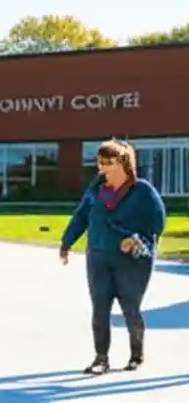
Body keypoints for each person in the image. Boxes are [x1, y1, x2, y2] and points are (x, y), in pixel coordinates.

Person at [61, 139, 166, 375]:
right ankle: (101, 358)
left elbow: (157, 222)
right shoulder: (95, 190)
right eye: (100, 162)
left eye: (108, 162)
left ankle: (136, 354)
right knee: (99, 307)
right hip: (98, 256)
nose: (103, 167)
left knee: (130, 308)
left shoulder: (142, 191)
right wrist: (67, 242)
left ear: (123, 162)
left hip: (130, 261)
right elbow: (81, 216)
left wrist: (138, 240)